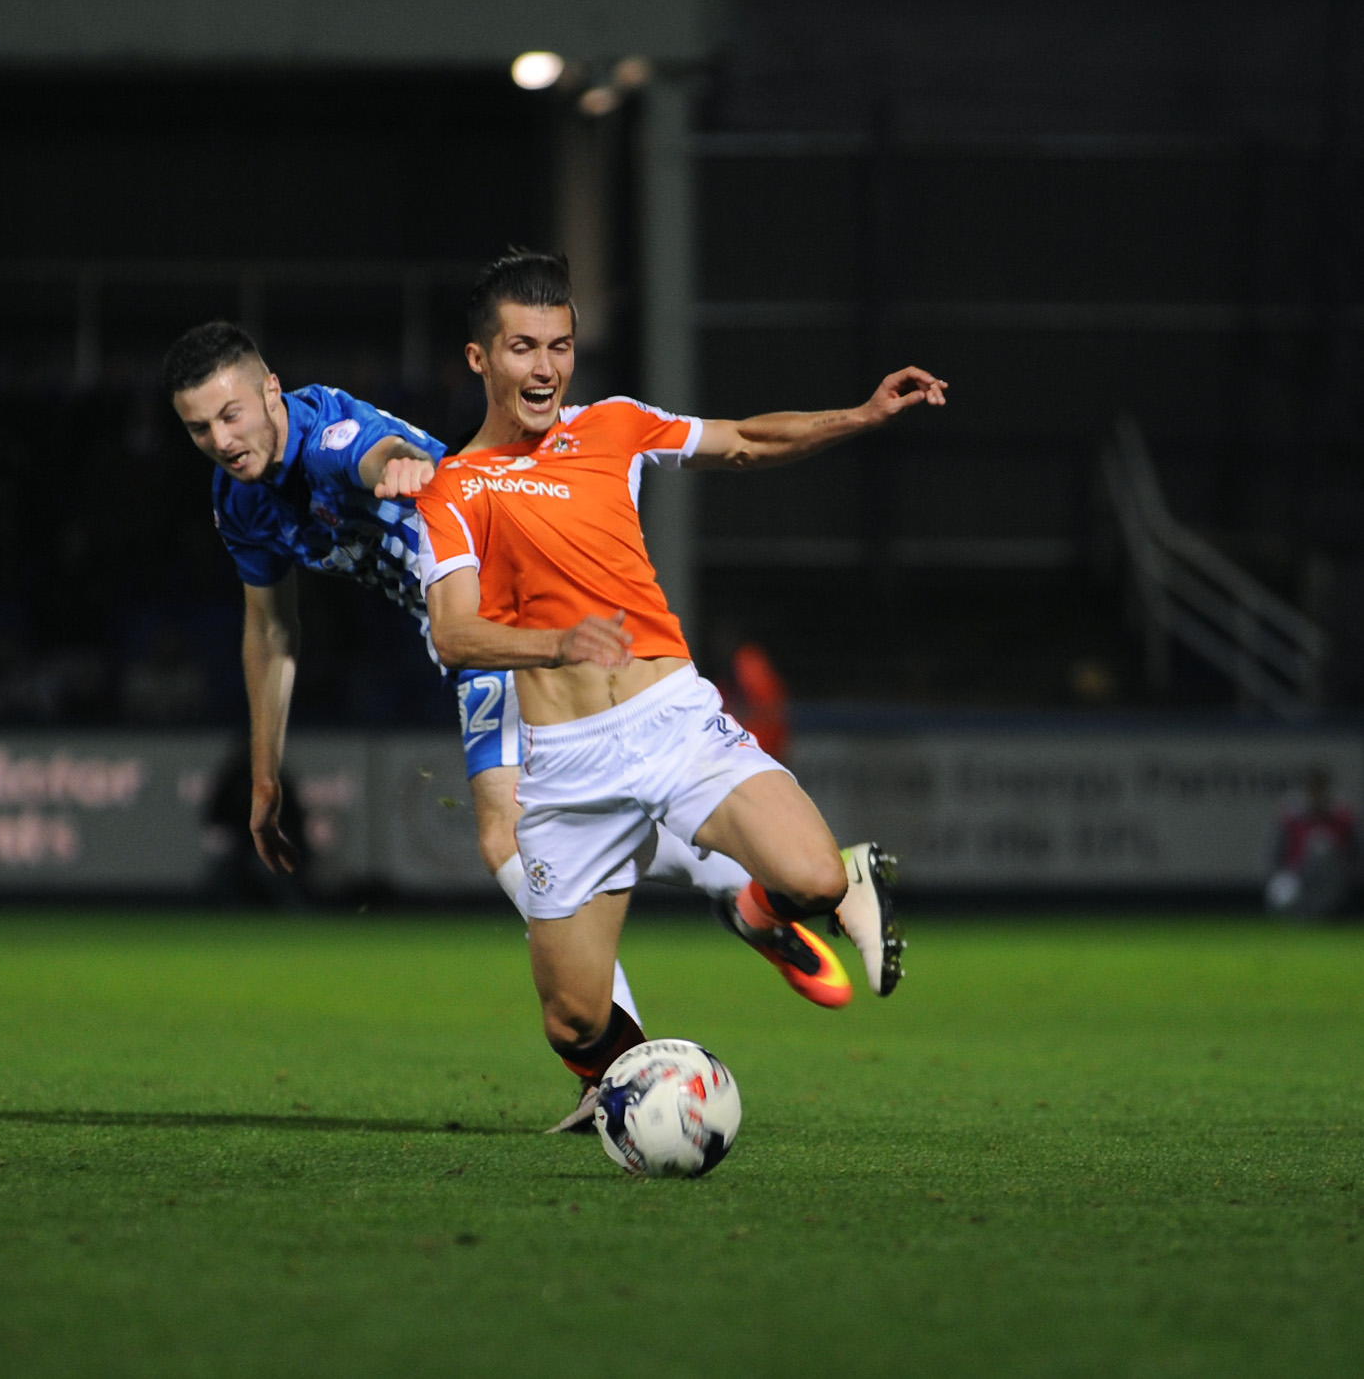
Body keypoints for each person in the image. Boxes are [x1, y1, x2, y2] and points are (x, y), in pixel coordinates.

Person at [162, 323, 771, 1122]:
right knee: (540, 833)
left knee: (510, 837)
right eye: (200, 427)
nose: (221, 439)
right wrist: (266, 775)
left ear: (271, 389)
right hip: (474, 623)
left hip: (504, 600)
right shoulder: (238, 499)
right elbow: (272, 631)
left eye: (232, 414)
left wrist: (402, 469)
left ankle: (623, 1057)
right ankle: (738, 886)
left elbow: (373, 456)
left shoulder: (331, 430)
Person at [412, 250, 947, 1123]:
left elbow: (743, 441)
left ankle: (759, 910)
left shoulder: (616, 425)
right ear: (481, 359)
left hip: (675, 724)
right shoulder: (453, 489)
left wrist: (860, 414)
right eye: (521, 348)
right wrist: (557, 644)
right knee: (575, 1019)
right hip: (568, 770)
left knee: (814, 877)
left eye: (560, 346)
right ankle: (636, 1096)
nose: (545, 368)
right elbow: (452, 631)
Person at [1265, 765, 1357, 919]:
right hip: (1297, 874)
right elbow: (1276, 852)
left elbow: (1354, 852)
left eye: (1320, 787)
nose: (1316, 793)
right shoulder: (1292, 814)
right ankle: (1298, 919)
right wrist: (1278, 874)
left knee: (1321, 843)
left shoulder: (1341, 814)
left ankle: (1324, 915)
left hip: (1331, 878)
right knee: (1282, 895)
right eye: (1312, 787)